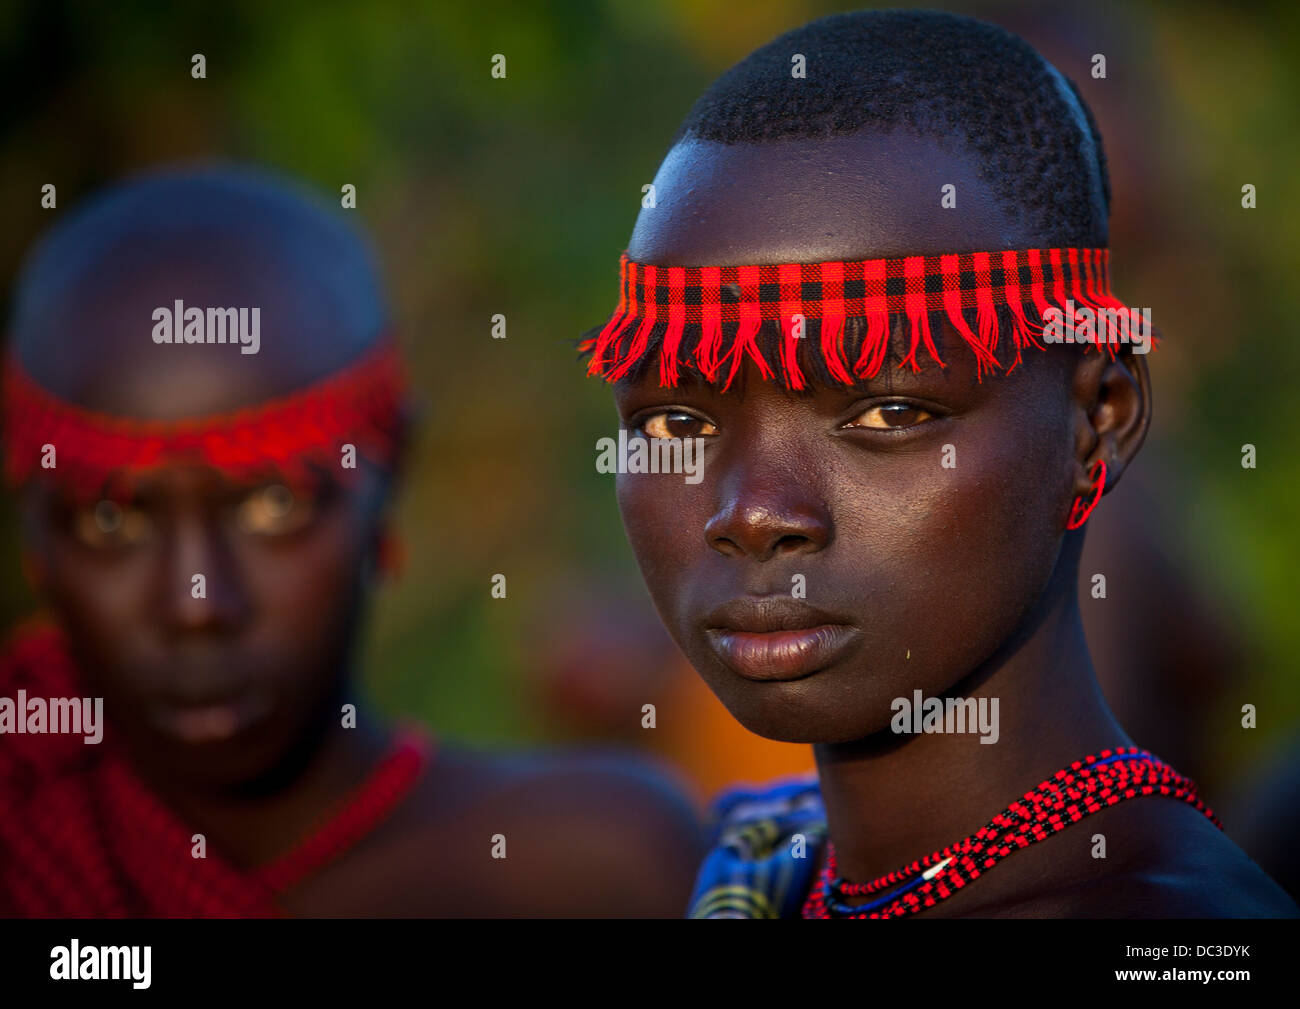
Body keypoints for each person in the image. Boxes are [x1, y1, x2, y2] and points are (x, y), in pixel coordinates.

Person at [578, 10, 1297, 918]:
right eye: (677, 419)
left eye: (889, 411)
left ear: (1098, 421)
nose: (755, 511)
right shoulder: (761, 870)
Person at [1, 165, 703, 917]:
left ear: (390, 470)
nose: (198, 603)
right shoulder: (28, 832)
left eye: (275, 504)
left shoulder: (589, 869)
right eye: (114, 520)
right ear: (36, 531)